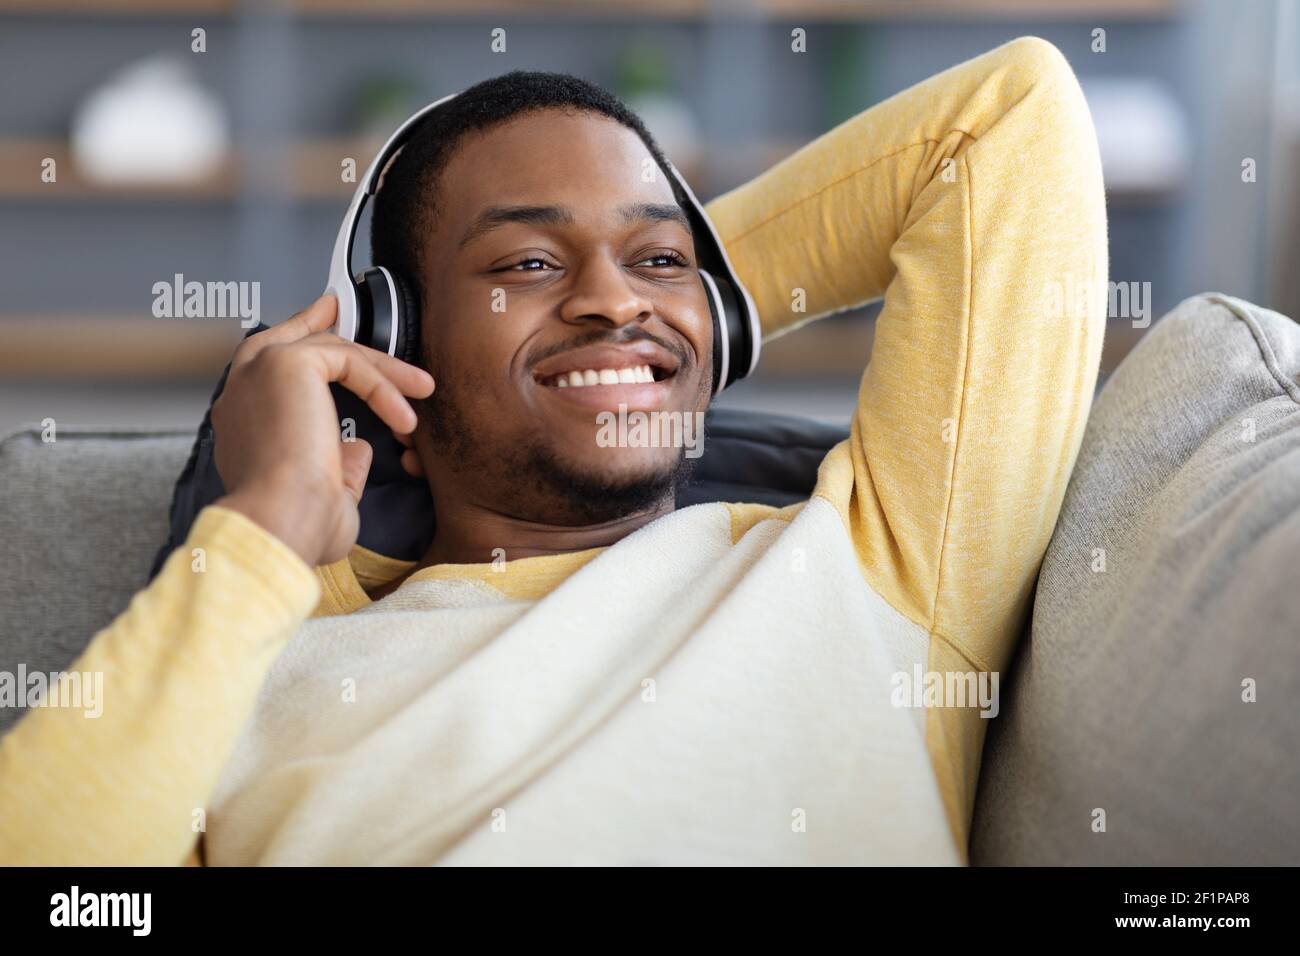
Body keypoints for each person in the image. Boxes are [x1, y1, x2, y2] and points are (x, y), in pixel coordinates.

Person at [0, 36, 1106, 865]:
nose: (615, 294)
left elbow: (1005, 118)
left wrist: (683, 317)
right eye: (525, 261)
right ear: (393, 340)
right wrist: (270, 519)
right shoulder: (243, 658)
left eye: (659, 256)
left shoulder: (883, 555)